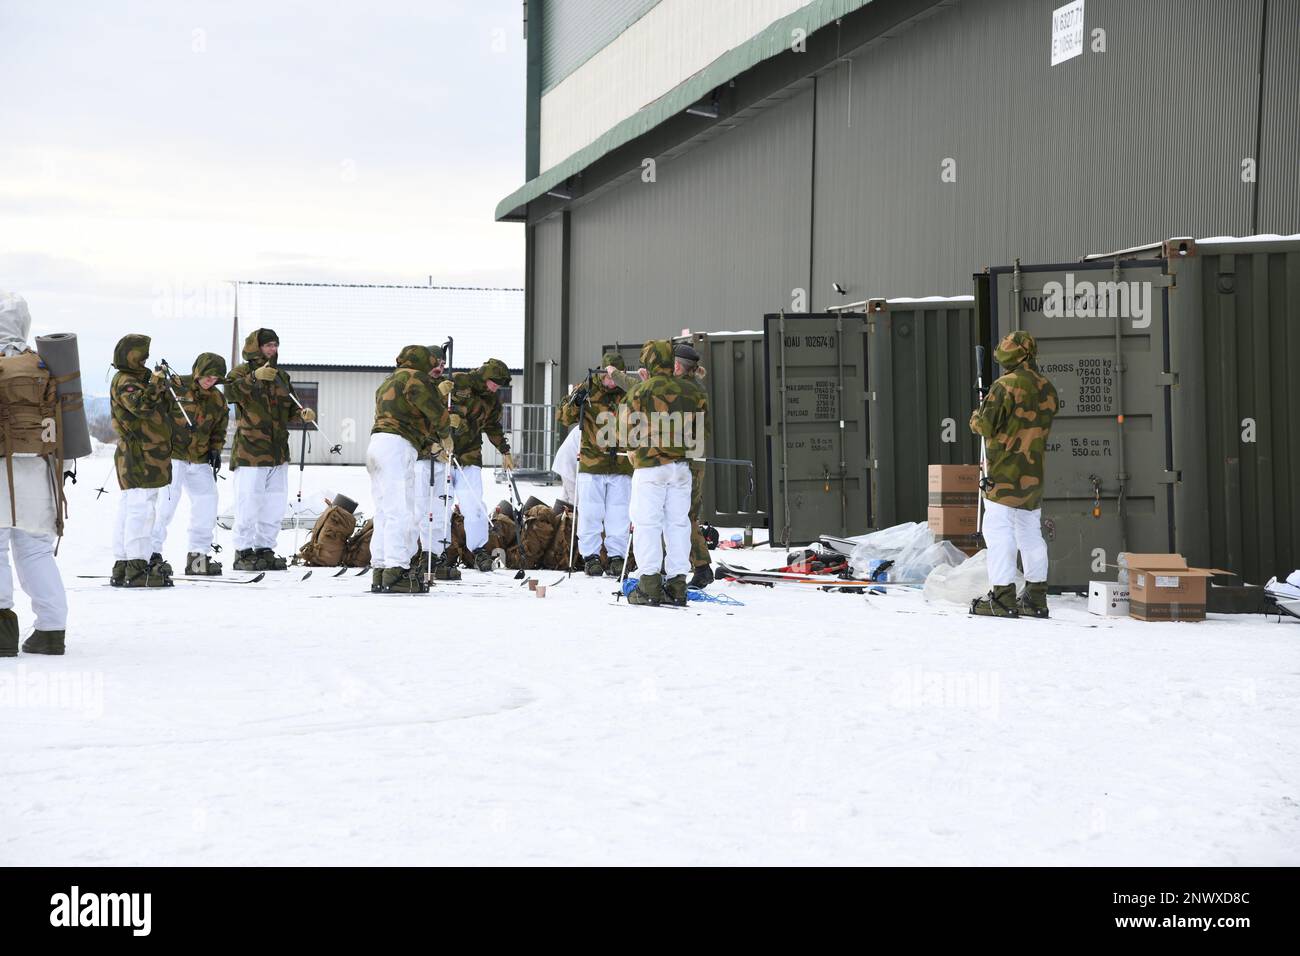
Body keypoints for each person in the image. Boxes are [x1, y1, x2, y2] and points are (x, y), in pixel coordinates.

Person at [969, 330, 1059, 618]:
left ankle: (1002, 596)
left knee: (998, 532)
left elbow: (985, 425)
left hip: (1004, 474)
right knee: (1030, 535)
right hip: (1033, 476)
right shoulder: (1047, 387)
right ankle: (1036, 598)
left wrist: (975, 415)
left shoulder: (1004, 386)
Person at [0, 292, 69, 653]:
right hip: (40, 473)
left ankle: (1, 634)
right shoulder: (45, 365)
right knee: (36, 552)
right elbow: (66, 423)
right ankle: (51, 630)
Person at [621, 340, 708, 606]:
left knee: (647, 524)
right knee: (678, 525)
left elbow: (624, 433)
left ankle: (649, 586)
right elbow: (700, 433)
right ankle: (677, 585)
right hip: (682, 468)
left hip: (650, 468)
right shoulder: (694, 391)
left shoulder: (640, 391)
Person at [224, 328, 314, 571]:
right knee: (248, 502)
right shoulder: (241, 373)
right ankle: (243, 552)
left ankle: (265, 548)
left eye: (275, 345)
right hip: (251, 453)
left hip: (278, 453)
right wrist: (254, 377)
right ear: (256, 347)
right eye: (268, 345)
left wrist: (302, 414)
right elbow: (229, 393)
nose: (273, 350)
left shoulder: (281, 377)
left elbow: (291, 408)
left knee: (274, 503)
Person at [367, 345, 452, 592]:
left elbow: (406, 419)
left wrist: (429, 445)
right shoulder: (416, 378)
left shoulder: (389, 381)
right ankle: (397, 571)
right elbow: (435, 412)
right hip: (397, 448)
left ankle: (381, 569)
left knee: (384, 511)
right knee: (401, 511)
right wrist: (446, 436)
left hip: (377, 444)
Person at [150, 352, 228, 576]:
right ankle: (150, 554)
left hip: (200, 459)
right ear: (198, 371)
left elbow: (219, 429)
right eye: (207, 376)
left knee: (207, 504)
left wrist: (215, 449)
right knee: (166, 505)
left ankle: (198, 558)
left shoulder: (217, 399)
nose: (210, 381)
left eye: (215, 378)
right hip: (173, 456)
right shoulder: (175, 387)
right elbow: (152, 408)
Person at [557, 351, 632, 578]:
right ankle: (590, 557)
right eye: (609, 376)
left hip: (621, 463)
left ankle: (616, 556)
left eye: (616, 376)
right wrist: (575, 402)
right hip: (592, 462)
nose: (612, 381)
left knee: (619, 514)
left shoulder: (629, 391)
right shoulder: (587, 388)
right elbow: (563, 417)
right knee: (590, 512)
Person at [109, 333, 174, 587]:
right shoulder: (126, 381)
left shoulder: (136, 379)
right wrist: (155, 384)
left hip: (146, 454)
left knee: (132, 506)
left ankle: (125, 563)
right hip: (139, 454)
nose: (146, 360)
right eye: (143, 355)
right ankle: (136, 566)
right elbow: (142, 407)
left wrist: (160, 383)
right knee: (140, 508)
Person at [447, 357, 513, 572]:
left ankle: (479, 551)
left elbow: (492, 427)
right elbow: (432, 408)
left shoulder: (492, 401)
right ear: (486, 375)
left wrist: (504, 450)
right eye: (494, 382)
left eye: (499, 385)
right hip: (441, 453)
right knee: (439, 505)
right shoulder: (457, 381)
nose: (496, 388)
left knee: (474, 505)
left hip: (470, 455)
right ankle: (435, 552)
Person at [670, 343, 714, 589]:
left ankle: (702, 567)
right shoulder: (693, 385)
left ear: (678, 366)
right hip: (690, 458)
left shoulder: (687, 388)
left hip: (690, 461)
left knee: (686, 516)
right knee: (686, 515)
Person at [410, 343, 450, 572]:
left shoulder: (446, 389)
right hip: (420, 459)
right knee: (418, 507)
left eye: (443, 364)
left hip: (441, 460)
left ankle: (435, 553)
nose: (440, 368)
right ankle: (415, 552)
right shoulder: (416, 384)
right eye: (437, 363)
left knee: (439, 508)